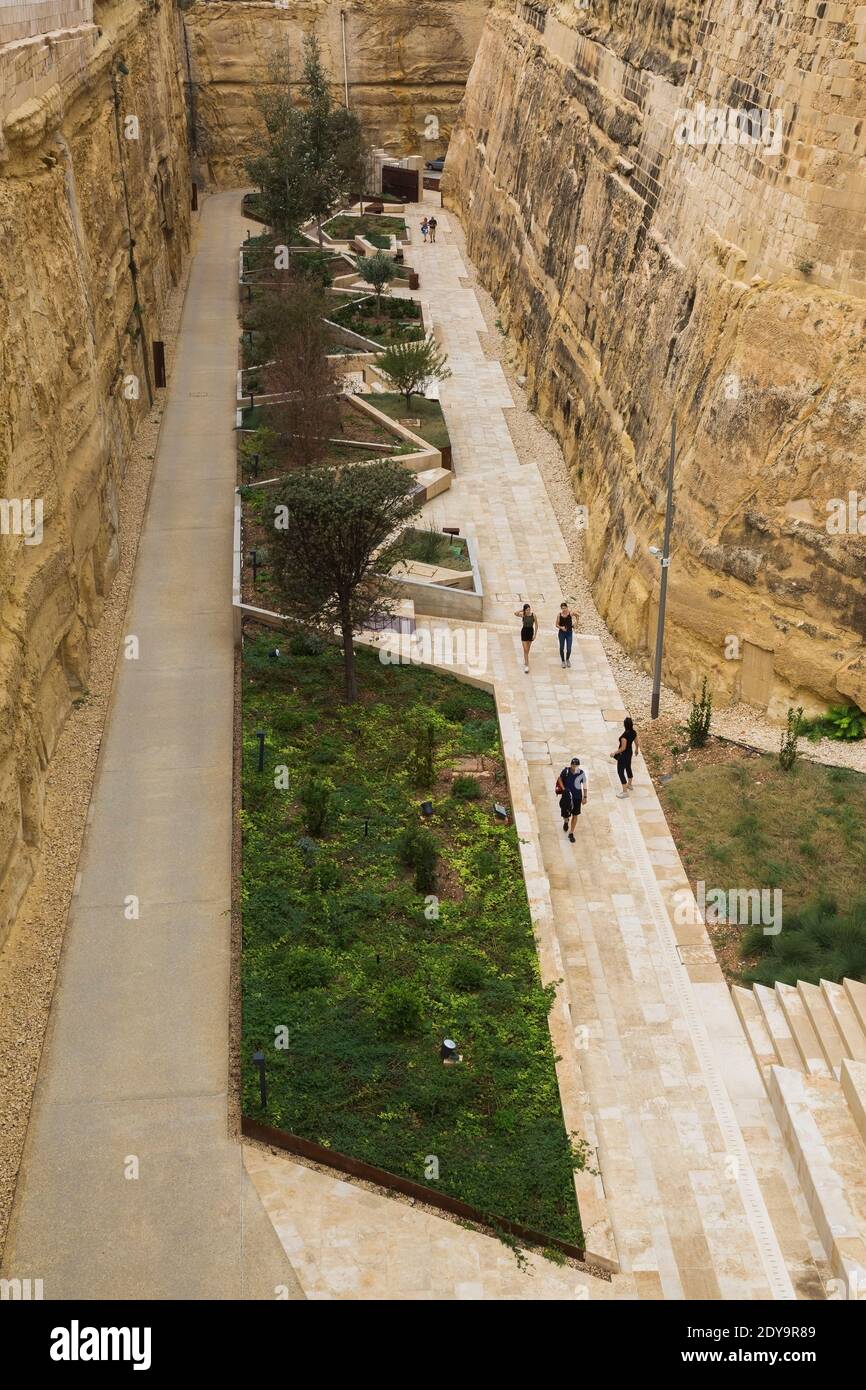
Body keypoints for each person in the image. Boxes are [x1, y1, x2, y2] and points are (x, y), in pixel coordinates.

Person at [556, 758, 588, 842]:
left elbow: (584, 785)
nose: (574, 767)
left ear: (578, 765)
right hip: (567, 797)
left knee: (575, 815)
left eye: (576, 765)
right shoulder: (566, 771)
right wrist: (564, 789)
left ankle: (571, 833)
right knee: (565, 813)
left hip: (577, 798)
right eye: (573, 765)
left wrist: (585, 797)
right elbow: (559, 778)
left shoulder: (581, 773)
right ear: (571, 764)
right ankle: (566, 821)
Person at [613, 716, 639, 797]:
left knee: (620, 772)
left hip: (623, 755)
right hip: (630, 753)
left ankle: (625, 792)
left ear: (624, 725)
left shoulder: (624, 736)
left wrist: (614, 753)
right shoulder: (634, 732)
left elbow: (623, 748)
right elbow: (637, 743)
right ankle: (629, 785)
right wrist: (636, 749)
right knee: (628, 767)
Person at [514, 603, 537, 672]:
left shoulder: (533, 615)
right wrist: (522, 610)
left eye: (529, 609)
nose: (528, 611)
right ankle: (527, 665)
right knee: (525, 649)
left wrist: (535, 635)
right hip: (524, 632)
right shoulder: (523, 614)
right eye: (527, 610)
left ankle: (526, 659)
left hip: (530, 632)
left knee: (528, 649)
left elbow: (536, 625)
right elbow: (515, 613)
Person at [556, 602, 574, 667]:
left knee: (569, 648)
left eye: (565, 608)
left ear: (567, 607)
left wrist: (576, 623)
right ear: (561, 608)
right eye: (562, 608)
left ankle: (567, 659)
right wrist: (561, 627)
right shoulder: (559, 615)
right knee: (561, 648)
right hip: (561, 633)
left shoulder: (571, 613)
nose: (564, 609)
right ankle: (563, 661)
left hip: (569, 633)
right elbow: (556, 624)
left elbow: (578, 615)